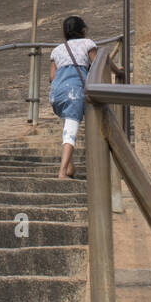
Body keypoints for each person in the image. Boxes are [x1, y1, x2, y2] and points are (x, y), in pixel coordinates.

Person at [48, 16, 122, 179]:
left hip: (56, 93)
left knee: (67, 125)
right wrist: (117, 71)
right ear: (83, 30)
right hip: (73, 92)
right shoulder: (87, 44)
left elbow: (52, 76)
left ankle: (70, 168)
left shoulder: (57, 50)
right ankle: (62, 171)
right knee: (71, 131)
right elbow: (100, 63)